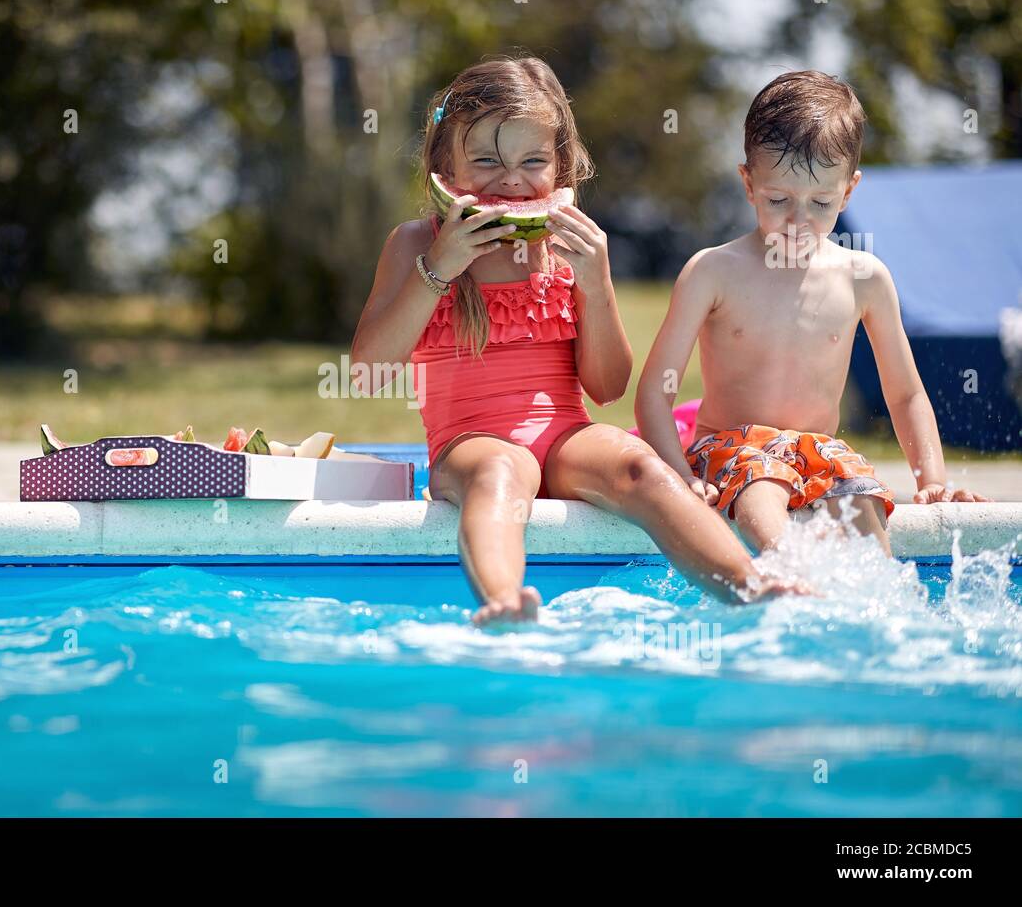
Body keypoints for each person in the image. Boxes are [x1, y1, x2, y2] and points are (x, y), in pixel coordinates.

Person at [351, 56, 802, 625]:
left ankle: (750, 584)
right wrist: (437, 269)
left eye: (533, 161)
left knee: (640, 465)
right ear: (446, 165)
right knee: (499, 473)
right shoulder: (416, 243)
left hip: (566, 437)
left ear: (562, 166)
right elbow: (369, 370)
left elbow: (607, 387)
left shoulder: (567, 249)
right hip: (470, 442)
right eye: (486, 162)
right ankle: (502, 600)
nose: (512, 182)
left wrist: (595, 285)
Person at [636, 70, 988, 556]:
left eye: (821, 203)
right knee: (762, 486)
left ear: (848, 192)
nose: (799, 221)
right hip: (732, 448)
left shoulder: (864, 278)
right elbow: (656, 391)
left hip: (820, 453)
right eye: (778, 199)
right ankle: (785, 581)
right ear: (748, 183)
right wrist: (678, 477)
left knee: (861, 502)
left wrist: (932, 481)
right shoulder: (713, 272)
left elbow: (905, 395)